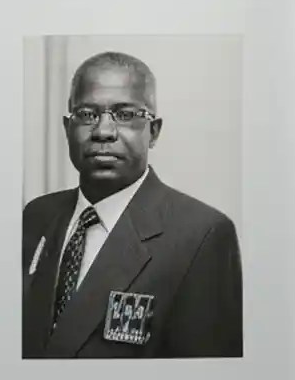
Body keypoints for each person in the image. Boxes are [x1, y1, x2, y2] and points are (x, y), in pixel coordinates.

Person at [21, 50, 243, 359]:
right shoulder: (35, 216)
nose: (103, 131)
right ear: (66, 128)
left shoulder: (201, 236)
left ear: (153, 131)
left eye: (126, 115)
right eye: (86, 114)